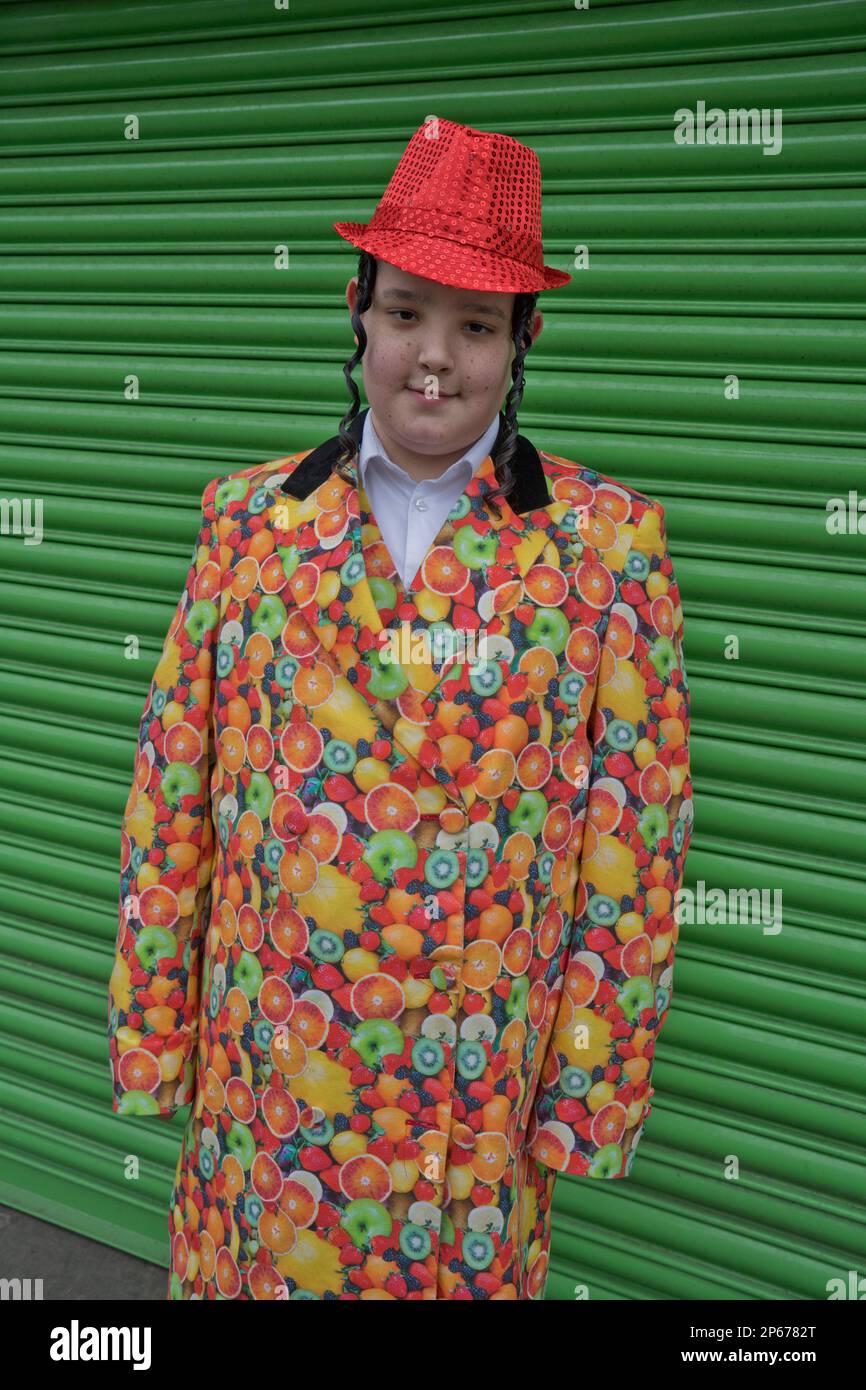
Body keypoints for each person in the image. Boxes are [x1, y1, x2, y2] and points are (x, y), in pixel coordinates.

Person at [108, 117, 693, 1301]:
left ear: (522, 339)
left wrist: (586, 1096)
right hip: (266, 1095)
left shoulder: (602, 543)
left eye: (475, 325)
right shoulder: (249, 523)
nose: (435, 356)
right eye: (406, 312)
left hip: (463, 1117)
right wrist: (152, 1037)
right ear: (357, 310)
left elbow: (633, 841)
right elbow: (172, 798)